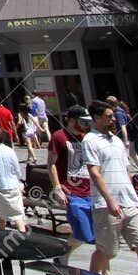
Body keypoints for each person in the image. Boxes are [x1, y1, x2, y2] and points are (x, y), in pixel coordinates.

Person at [84, 100, 138, 275]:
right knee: (107, 251)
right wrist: (109, 200)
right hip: (106, 204)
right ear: (97, 118)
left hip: (129, 202)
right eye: (109, 116)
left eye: (113, 116)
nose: (113, 119)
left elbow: (124, 170)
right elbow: (94, 172)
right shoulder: (90, 140)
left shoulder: (116, 141)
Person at [48, 105, 95, 261]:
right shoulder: (59, 137)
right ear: (72, 120)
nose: (86, 125)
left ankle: (63, 257)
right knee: (82, 232)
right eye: (82, 121)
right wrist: (57, 187)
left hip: (91, 190)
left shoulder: (87, 137)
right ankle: (62, 255)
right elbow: (51, 164)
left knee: (94, 234)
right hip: (71, 192)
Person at [0, 129, 28, 231]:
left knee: (0, 212)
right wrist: (20, 180)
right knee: (18, 215)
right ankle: (22, 235)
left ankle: (1, 232)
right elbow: (17, 168)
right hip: (13, 185)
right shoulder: (10, 150)